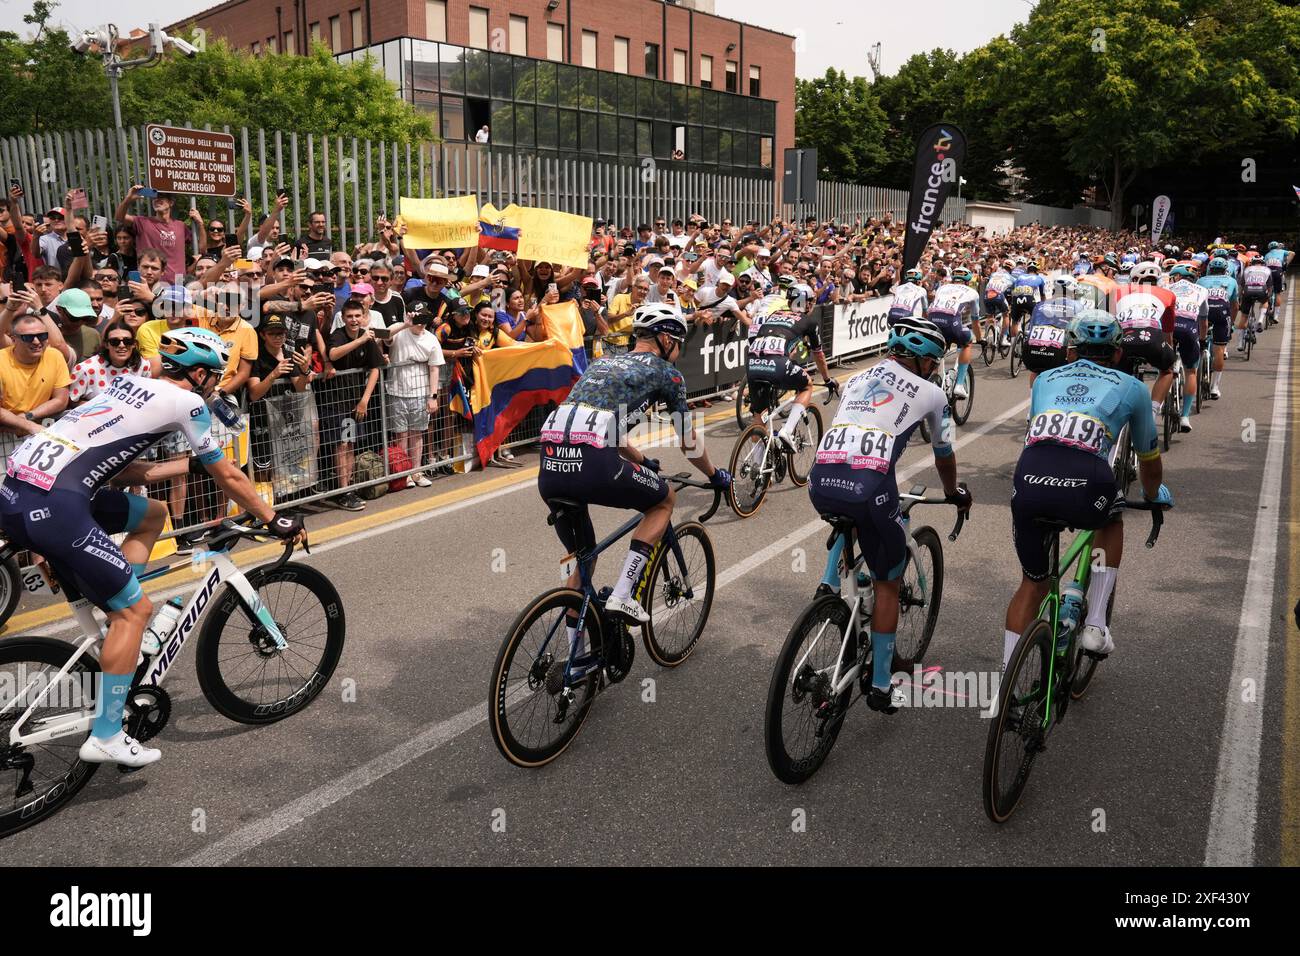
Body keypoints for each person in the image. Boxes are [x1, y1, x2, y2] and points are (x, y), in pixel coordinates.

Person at [0, 327, 303, 768]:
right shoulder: (189, 403)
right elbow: (232, 478)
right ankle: (107, 733)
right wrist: (273, 518)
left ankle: (124, 623)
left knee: (152, 515)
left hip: (18, 495)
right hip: (56, 507)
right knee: (135, 611)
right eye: (215, 376)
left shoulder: (125, 386)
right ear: (198, 374)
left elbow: (124, 470)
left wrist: (188, 463)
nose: (216, 383)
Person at [809, 317, 971, 714]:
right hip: (868, 490)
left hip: (820, 479)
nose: (934, 370)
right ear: (920, 361)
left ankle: (829, 585)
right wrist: (953, 492)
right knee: (888, 581)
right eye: (933, 363)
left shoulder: (857, 377)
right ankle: (882, 685)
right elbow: (943, 453)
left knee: (851, 517)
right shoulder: (932, 393)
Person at [537, 303, 729, 632]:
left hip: (550, 463)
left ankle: (575, 661)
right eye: (679, 343)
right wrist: (713, 475)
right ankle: (624, 592)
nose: (679, 351)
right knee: (664, 500)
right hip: (593, 461)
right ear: (666, 339)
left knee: (584, 560)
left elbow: (602, 425)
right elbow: (688, 441)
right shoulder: (666, 373)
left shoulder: (603, 363)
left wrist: (640, 460)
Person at [1004, 311, 1170, 665]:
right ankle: (1095, 623)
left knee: (1031, 584)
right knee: (1111, 518)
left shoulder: (1044, 380)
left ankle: (1006, 682)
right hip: (1087, 479)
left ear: (1070, 351)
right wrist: (1154, 496)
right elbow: (1148, 457)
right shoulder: (1133, 388)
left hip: (1030, 476)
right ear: (1116, 355)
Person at [325, 298, 383, 511]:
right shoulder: (338, 335)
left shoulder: (367, 338)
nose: (354, 320)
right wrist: (360, 341)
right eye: (349, 316)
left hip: (356, 401)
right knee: (341, 446)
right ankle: (343, 491)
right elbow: (333, 354)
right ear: (343, 318)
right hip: (336, 401)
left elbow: (376, 368)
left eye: (358, 316)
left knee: (350, 445)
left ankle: (347, 487)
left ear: (363, 316)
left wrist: (365, 399)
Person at [386, 301, 443, 486]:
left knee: (417, 434)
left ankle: (416, 471)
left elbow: (434, 368)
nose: (420, 322)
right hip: (397, 391)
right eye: (417, 317)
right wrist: (405, 324)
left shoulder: (431, 338)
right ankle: (404, 474)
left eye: (424, 318)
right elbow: (379, 336)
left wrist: (432, 396)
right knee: (400, 435)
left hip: (420, 393)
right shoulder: (399, 329)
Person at [1165, 264, 1209, 432]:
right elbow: (1203, 321)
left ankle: (1161, 399)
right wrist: (1203, 340)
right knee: (1191, 371)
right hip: (1189, 327)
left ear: (1177, 276)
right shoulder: (1201, 290)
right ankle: (1184, 416)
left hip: (1168, 326)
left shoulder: (1168, 287)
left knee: (1165, 368)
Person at [925, 265, 980, 399]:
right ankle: (959, 385)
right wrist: (980, 339)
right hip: (950, 321)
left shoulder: (942, 287)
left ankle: (931, 380)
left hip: (932, 319)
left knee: (937, 351)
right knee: (967, 342)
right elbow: (975, 321)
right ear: (968, 281)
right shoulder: (972, 292)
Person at [69, 318, 151, 406]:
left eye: (127, 341)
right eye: (115, 342)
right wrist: (102, 407)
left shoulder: (143, 365)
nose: (122, 345)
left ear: (134, 344)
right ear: (106, 344)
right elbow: (71, 401)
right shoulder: (86, 369)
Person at [115, 186, 189, 282]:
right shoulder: (142, 222)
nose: (157, 200)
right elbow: (119, 217)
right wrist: (128, 199)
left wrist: (200, 224)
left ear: (171, 202)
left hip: (178, 283)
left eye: (161, 197)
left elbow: (200, 248)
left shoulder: (181, 226)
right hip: (150, 283)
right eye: (154, 197)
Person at [1197, 255, 1238, 399]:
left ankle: (1194, 368)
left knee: (1198, 341)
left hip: (1204, 313)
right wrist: (1231, 323)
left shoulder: (1201, 280)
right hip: (1222, 313)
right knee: (1220, 348)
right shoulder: (1232, 281)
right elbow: (1234, 305)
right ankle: (1214, 387)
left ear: (1210, 269)